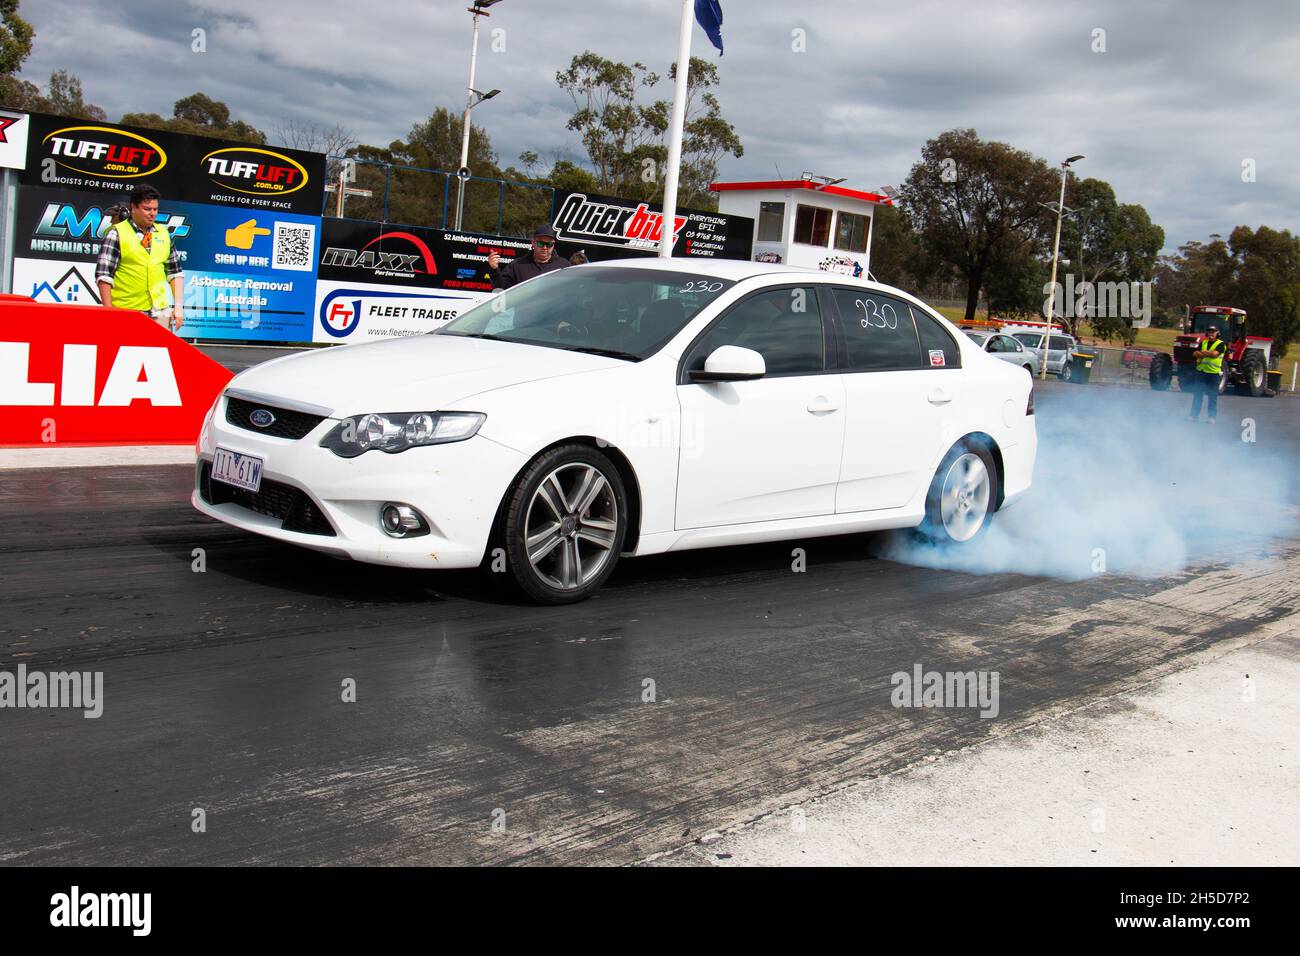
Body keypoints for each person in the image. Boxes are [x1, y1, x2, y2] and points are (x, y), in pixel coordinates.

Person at [95, 183, 184, 331]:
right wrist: (108, 311)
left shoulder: (164, 234)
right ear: (134, 208)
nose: (152, 213)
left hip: (160, 312)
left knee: (159, 353)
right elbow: (104, 275)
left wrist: (179, 307)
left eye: (155, 209)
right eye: (147, 209)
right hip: (127, 312)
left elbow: (175, 273)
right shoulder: (116, 233)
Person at [487, 224, 569, 289]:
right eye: (541, 243)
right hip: (524, 310)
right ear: (533, 243)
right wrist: (494, 269)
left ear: (554, 244)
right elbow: (501, 289)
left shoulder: (564, 266)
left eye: (549, 244)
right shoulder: (517, 266)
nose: (545, 248)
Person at [1188, 324, 1228, 423]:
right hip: (1201, 372)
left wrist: (1203, 353)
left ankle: (1211, 417)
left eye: (1213, 332)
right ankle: (1194, 416)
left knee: (1212, 396)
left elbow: (1215, 355)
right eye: (1209, 332)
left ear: (1217, 333)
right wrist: (1207, 353)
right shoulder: (1204, 342)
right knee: (1197, 395)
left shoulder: (1221, 344)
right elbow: (1195, 353)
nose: (1211, 334)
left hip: (1213, 374)